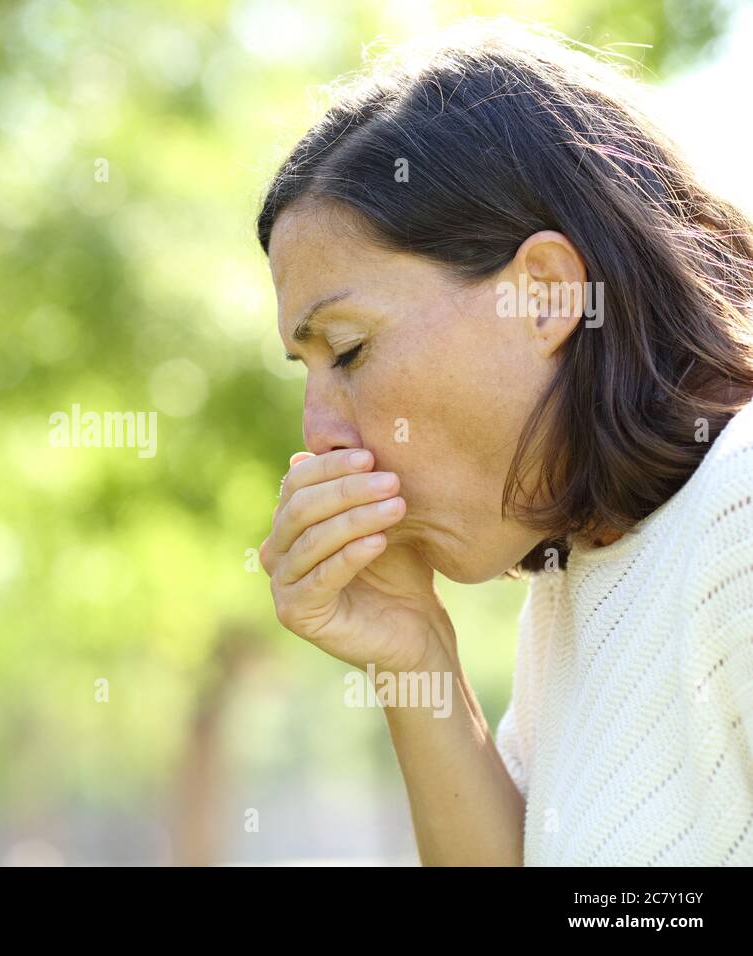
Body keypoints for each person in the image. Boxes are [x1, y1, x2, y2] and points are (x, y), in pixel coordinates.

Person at [255, 21, 753, 865]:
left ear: (547, 296)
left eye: (347, 350)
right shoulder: (576, 589)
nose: (318, 433)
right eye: (305, 371)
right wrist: (413, 647)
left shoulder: (738, 516)